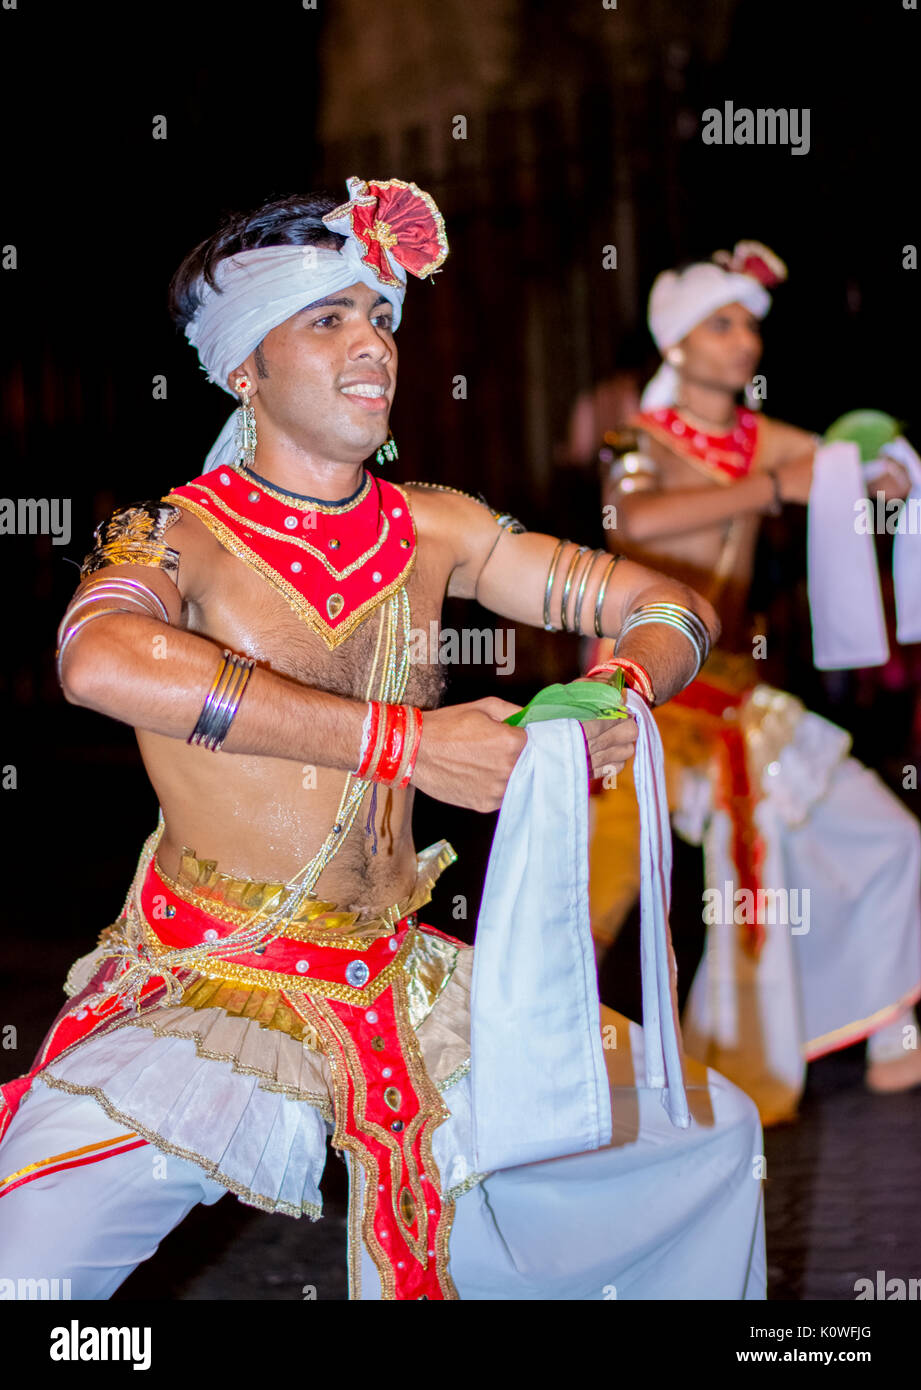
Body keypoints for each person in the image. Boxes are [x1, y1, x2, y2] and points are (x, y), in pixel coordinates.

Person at [0, 181, 764, 1301]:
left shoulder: (436, 525)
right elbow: (98, 660)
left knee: (708, 1132)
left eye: (381, 318)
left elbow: (666, 602)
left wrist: (618, 692)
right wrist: (411, 743)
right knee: (27, 1273)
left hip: (399, 977)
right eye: (329, 319)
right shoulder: (174, 532)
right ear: (243, 368)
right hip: (210, 981)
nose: (373, 345)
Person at [587, 241, 921, 1125]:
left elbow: (848, 457)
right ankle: (557, 1081)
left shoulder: (758, 437)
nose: (744, 342)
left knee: (879, 834)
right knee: (593, 896)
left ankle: (882, 1021)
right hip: (632, 693)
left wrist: (884, 471)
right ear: (677, 343)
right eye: (722, 323)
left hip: (731, 696)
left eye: (749, 326)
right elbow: (631, 516)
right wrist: (775, 486)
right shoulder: (637, 439)